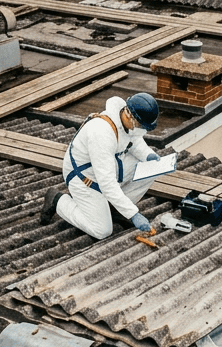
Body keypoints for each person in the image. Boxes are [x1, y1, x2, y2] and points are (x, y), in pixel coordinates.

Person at [40, 92, 162, 239]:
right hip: (83, 176)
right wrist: (133, 214)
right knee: (102, 230)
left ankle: (114, 209)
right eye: (142, 126)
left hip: (105, 166)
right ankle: (57, 199)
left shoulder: (125, 119)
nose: (143, 130)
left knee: (151, 169)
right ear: (130, 115)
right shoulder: (101, 133)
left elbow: (134, 140)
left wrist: (148, 155)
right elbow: (107, 183)